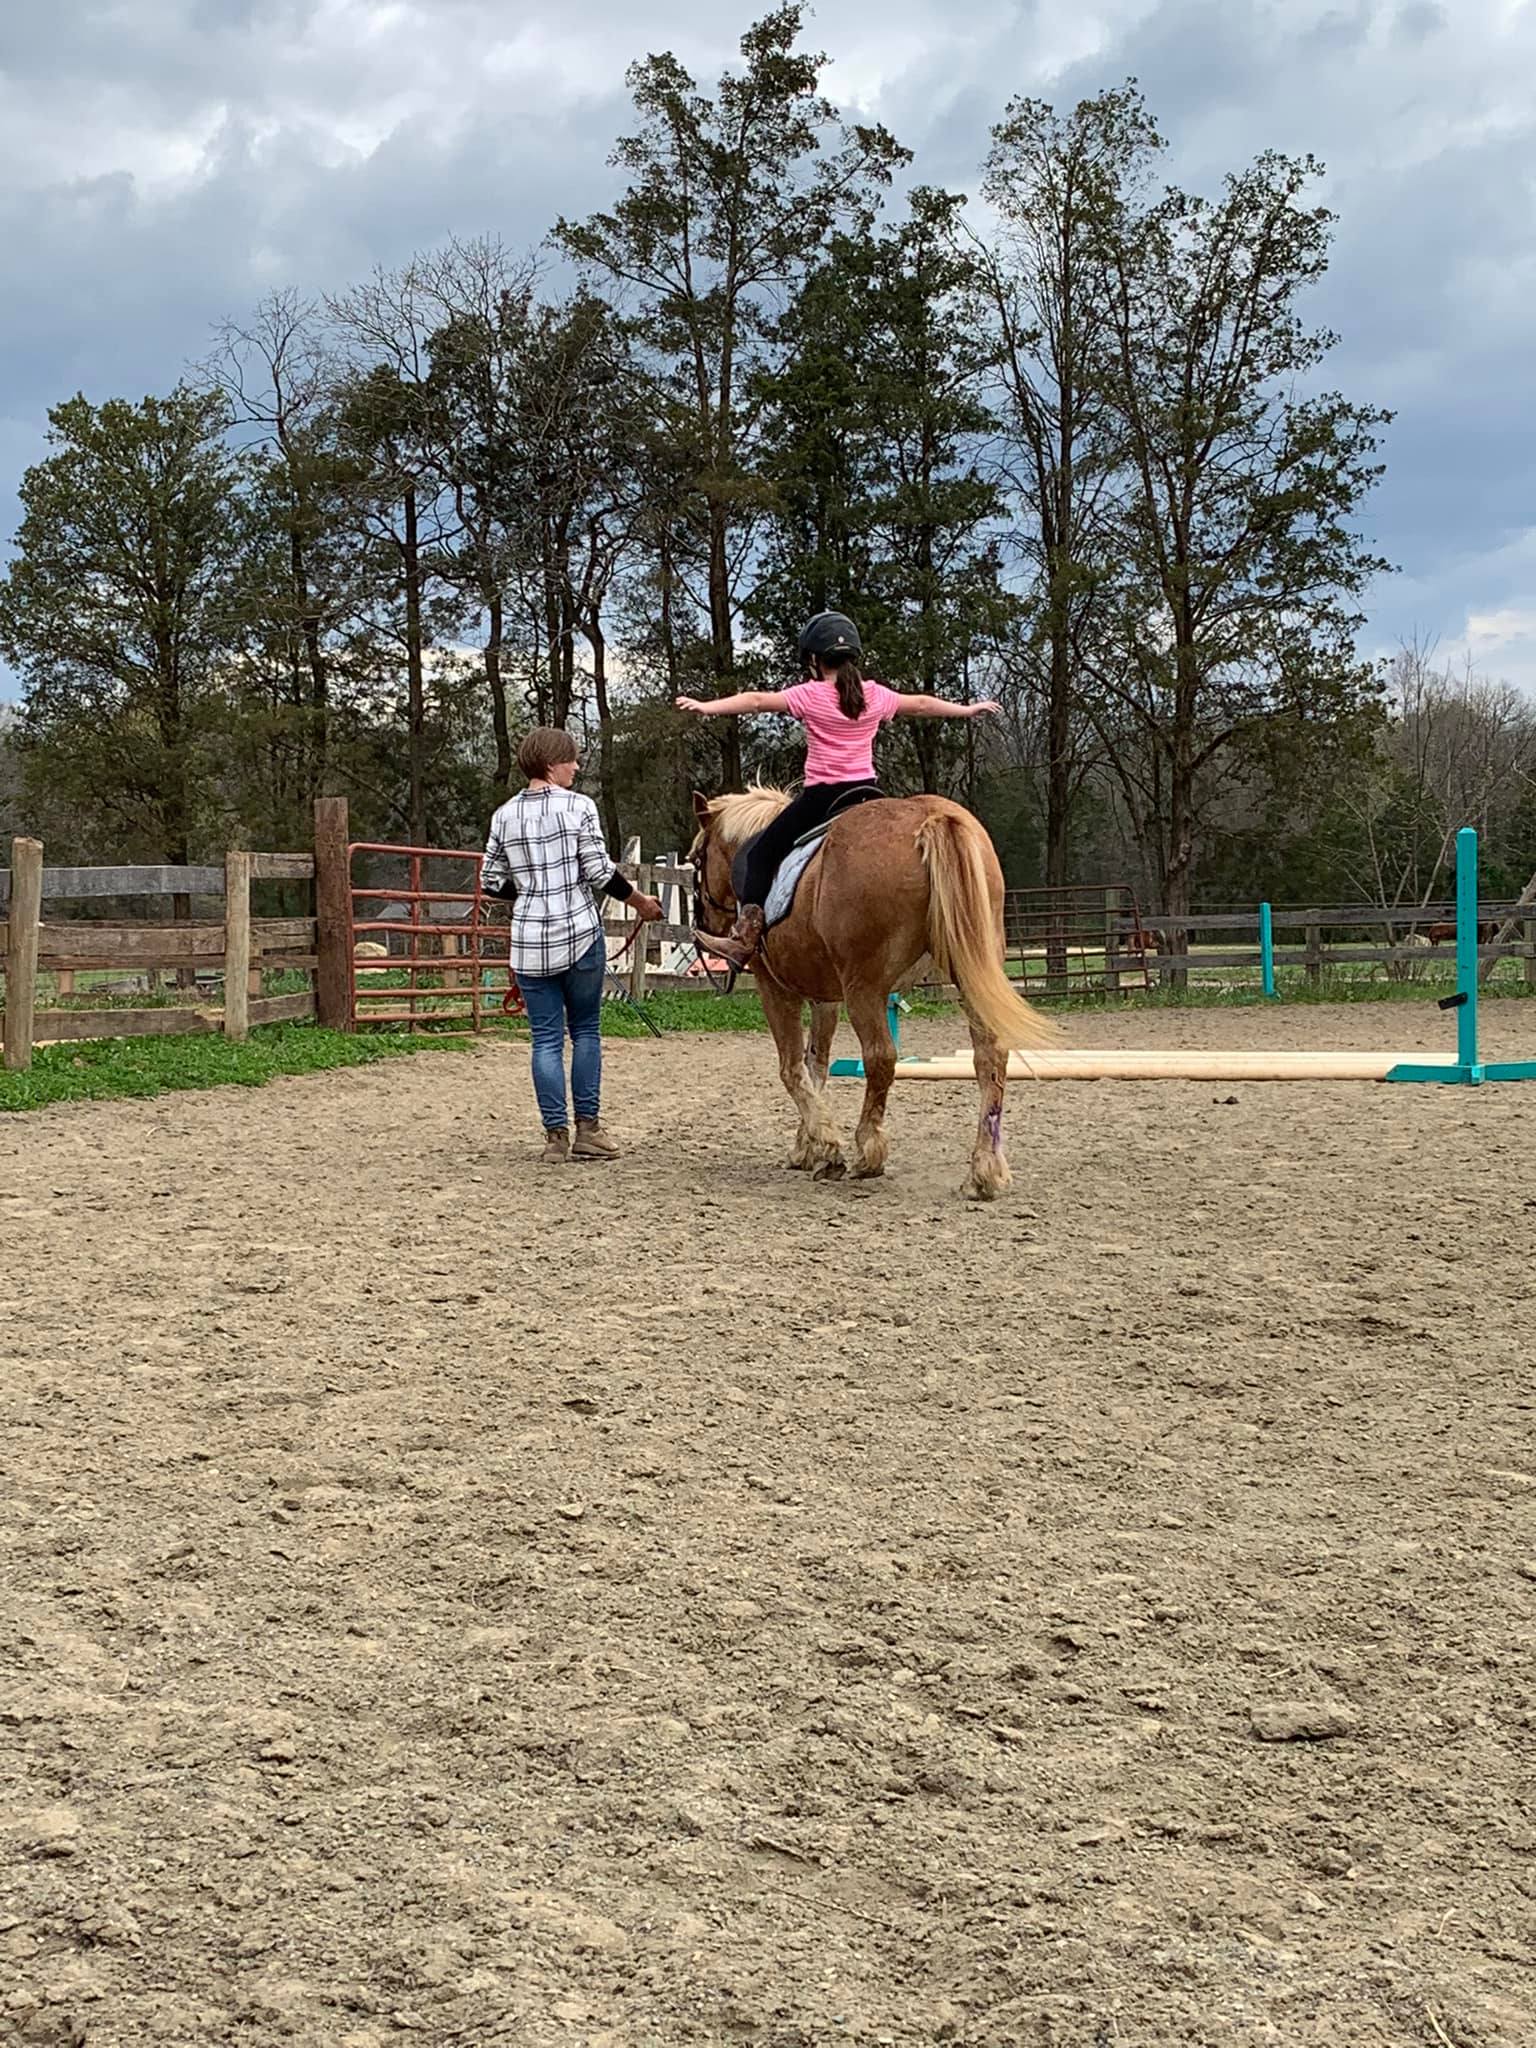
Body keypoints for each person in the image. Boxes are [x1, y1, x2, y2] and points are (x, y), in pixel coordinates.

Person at [675, 611, 1001, 968]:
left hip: (823, 798)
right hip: (868, 793)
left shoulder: (811, 695)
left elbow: (755, 701)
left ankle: (744, 939)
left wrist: (708, 707)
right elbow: (922, 704)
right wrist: (966, 710)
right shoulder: (874, 695)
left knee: (758, 855)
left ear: (814, 660)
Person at [482, 728, 663, 1163]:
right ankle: (589, 1129)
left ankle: (554, 1138)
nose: (576, 767)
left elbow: (491, 881)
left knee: (544, 1039)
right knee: (585, 1031)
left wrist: (529, 894)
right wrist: (639, 902)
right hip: (579, 934)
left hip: (529, 941)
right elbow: (599, 872)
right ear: (551, 763)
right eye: (572, 761)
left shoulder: (503, 815)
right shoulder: (580, 807)